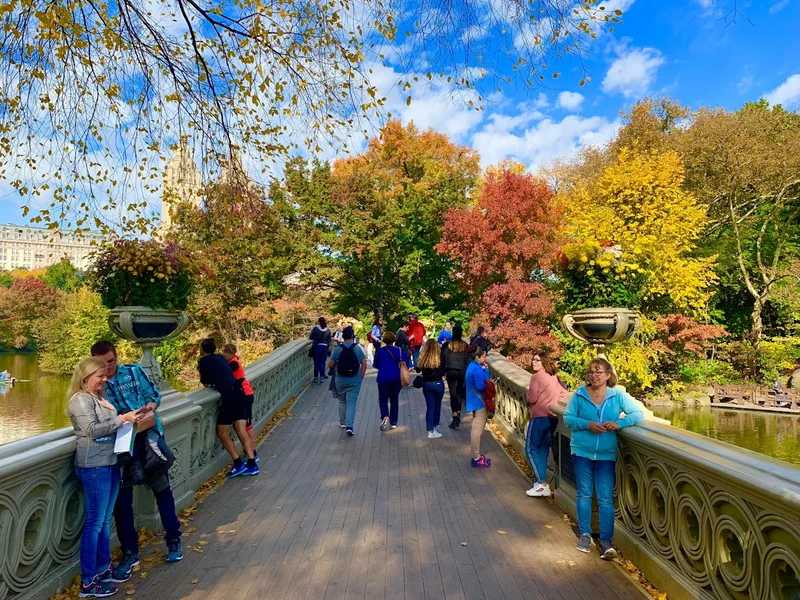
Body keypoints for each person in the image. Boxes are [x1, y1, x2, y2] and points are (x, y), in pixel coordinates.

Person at [91, 340, 184, 573]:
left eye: (111, 361)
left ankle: (174, 540)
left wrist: (148, 409)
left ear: (117, 356)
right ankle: (130, 553)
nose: (108, 367)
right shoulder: (95, 385)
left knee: (162, 490)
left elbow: (154, 395)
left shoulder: (133, 371)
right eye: (102, 364)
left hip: (148, 439)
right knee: (122, 502)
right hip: (122, 448)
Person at [68, 356, 140, 598]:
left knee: (104, 520)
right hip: (93, 466)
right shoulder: (80, 400)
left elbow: (109, 425)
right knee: (94, 523)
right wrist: (122, 419)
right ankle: (88, 581)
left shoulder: (100, 398)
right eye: (100, 376)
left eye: (105, 375)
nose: (104, 379)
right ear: (86, 377)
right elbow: (91, 430)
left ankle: (102, 568)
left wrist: (126, 420)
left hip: (110, 463)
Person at [563, 357, 643, 559]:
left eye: (598, 372)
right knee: (584, 494)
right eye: (591, 371)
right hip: (581, 450)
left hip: (606, 454)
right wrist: (587, 424)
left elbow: (637, 414)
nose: (594, 375)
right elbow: (568, 418)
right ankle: (585, 534)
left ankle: (606, 540)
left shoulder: (617, 396)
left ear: (608, 375)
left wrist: (619, 423)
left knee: (606, 497)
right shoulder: (580, 395)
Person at [198, 338, 259, 478]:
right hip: (240, 393)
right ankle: (252, 463)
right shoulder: (220, 357)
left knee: (222, 432)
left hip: (229, 397)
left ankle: (238, 463)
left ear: (202, 350)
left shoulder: (204, 361)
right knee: (241, 430)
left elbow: (205, 383)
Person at [524, 351, 567, 498]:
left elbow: (532, 398)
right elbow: (564, 393)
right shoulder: (554, 376)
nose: (533, 362)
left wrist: (527, 395)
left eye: (537, 360)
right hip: (552, 417)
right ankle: (539, 482)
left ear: (544, 362)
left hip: (539, 416)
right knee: (542, 450)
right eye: (533, 359)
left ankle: (542, 483)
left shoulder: (536, 377)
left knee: (530, 449)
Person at [221, 343, 258, 464]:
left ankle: (253, 452)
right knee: (247, 426)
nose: (222, 354)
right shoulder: (234, 361)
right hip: (245, 394)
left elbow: (225, 375)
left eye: (224, 351)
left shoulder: (233, 363)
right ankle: (252, 451)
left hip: (245, 394)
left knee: (247, 426)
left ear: (230, 352)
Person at [328, 326, 367, 436]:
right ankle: (349, 426)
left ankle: (342, 422)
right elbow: (364, 363)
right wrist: (361, 376)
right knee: (351, 403)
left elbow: (330, 364)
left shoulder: (338, 349)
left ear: (343, 336)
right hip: (355, 380)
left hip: (340, 380)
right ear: (352, 336)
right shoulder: (357, 348)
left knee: (342, 401)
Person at [373, 331, 407, 431]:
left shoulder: (380, 351)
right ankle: (394, 422)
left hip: (383, 378)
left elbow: (376, 364)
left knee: (383, 399)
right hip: (396, 378)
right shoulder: (400, 351)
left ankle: (385, 416)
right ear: (394, 340)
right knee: (394, 400)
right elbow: (406, 363)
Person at [465, 348, 491, 467]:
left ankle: (476, 455)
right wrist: (486, 371)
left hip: (473, 400)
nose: (485, 359)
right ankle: (476, 456)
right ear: (478, 357)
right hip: (479, 402)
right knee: (477, 430)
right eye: (484, 356)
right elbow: (482, 385)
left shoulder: (471, 366)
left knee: (476, 428)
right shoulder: (477, 369)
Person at [418, 339, 446, 439]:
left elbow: (418, 369)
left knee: (430, 407)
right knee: (437, 406)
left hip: (426, 384)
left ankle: (430, 429)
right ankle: (434, 427)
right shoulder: (439, 358)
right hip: (438, 383)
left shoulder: (423, 358)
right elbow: (443, 372)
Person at [442, 325, 469, 429]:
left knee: (453, 394)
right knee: (459, 393)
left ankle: (455, 417)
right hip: (461, 371)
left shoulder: (447, 345)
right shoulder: (465, 345)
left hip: (450, 371)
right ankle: (458, 412)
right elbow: (467, 359)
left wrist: (444, 371)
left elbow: (443, 358)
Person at [309, 317, 333, 384]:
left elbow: (311, 337)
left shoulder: (316, 329)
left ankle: (316, 378)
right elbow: (329, 340)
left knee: (316, 362)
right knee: (322, 362)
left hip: (317, 347)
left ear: (318, 322)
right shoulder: (328, 330)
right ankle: (322, 377)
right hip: (324, 347)